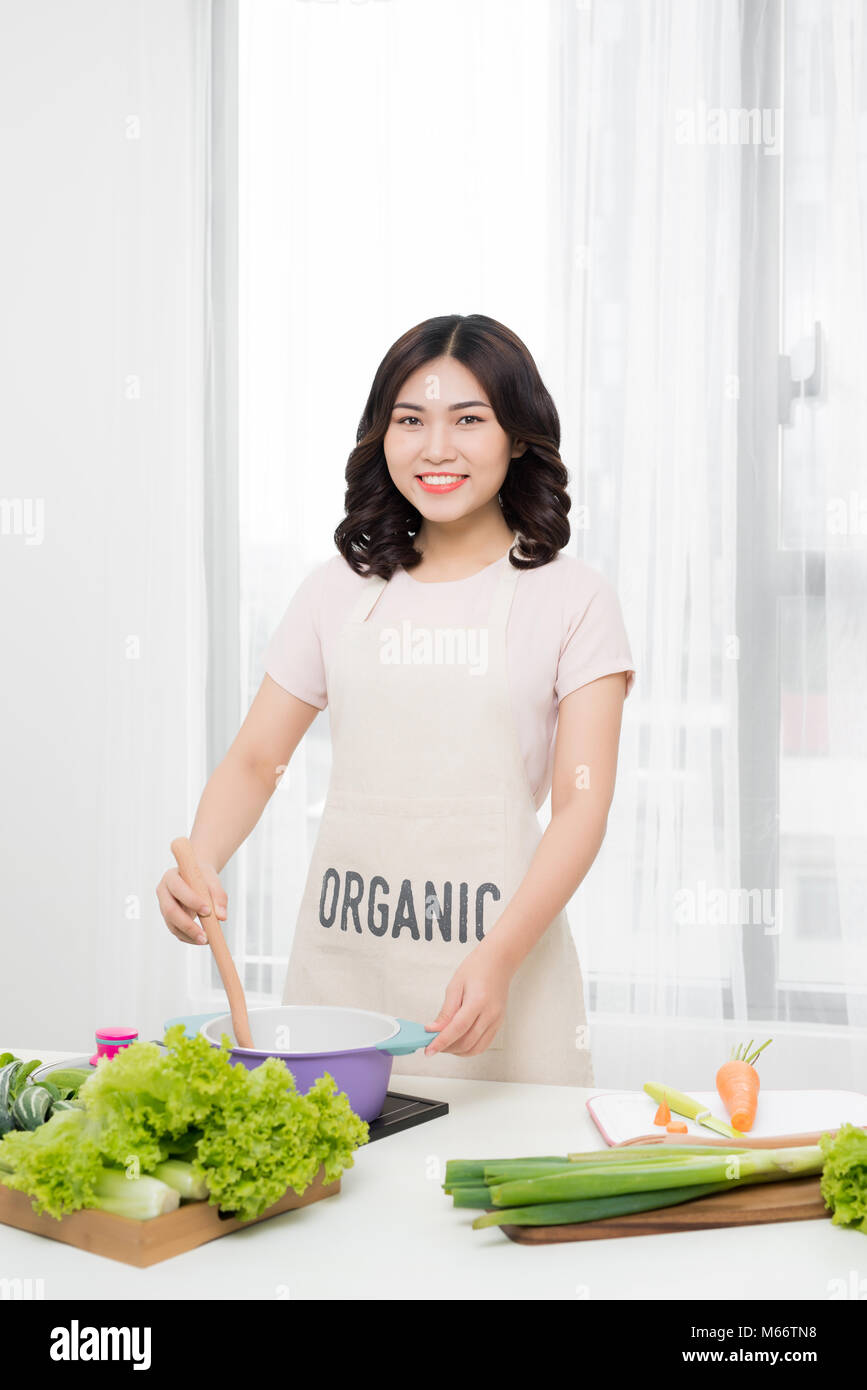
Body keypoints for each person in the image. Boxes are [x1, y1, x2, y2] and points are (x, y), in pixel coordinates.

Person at [157, 313, 635, 1085]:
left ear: (517, 437)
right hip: (342, 971)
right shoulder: (335, 592)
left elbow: (582, 807)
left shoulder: (572, 600)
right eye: (409, 420)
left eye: (468, 420)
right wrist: (201, 860)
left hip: (497, 974)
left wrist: (499, 956)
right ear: (381, 435)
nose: (435, 448)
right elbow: (254, 761)